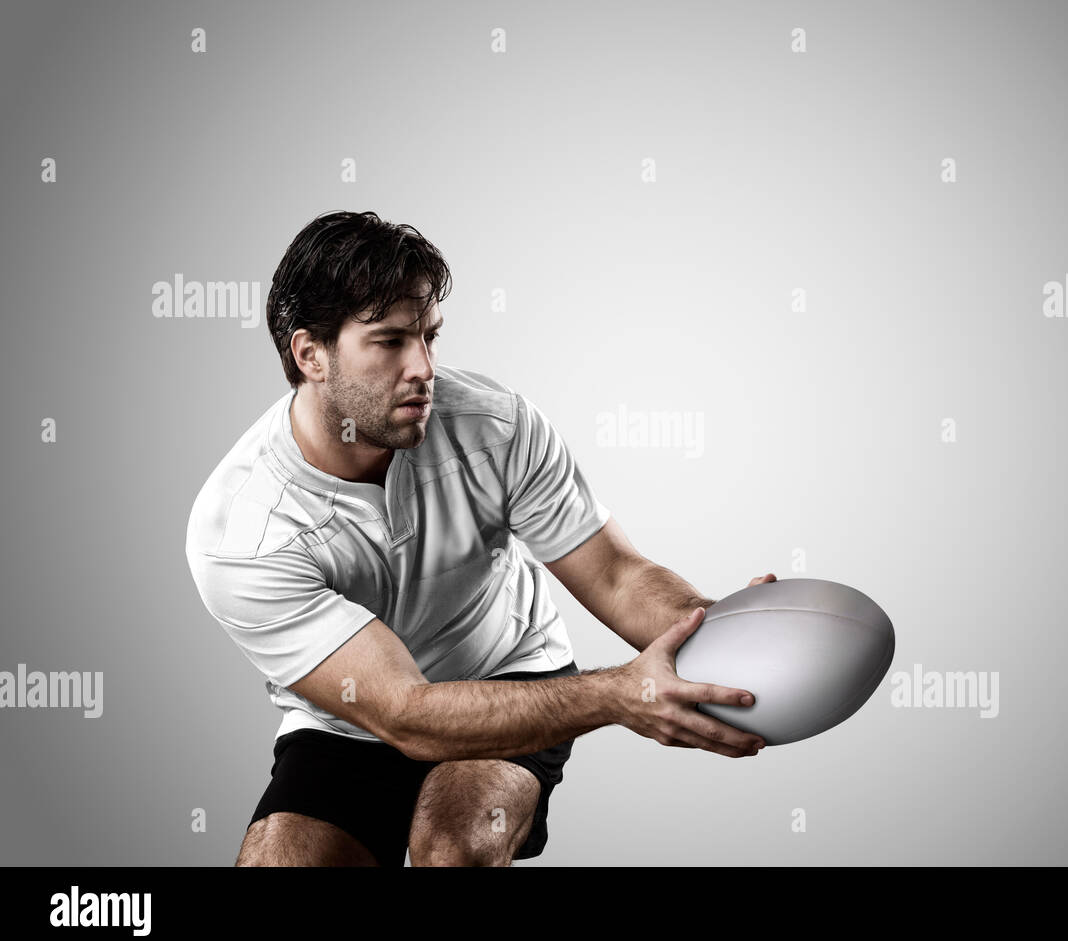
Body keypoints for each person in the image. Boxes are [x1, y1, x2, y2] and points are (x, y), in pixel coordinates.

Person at [184, 210, 771, 867]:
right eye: (390, 341)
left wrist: (726, 638)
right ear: (309, 354)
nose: (423, 368)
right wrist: (618, 695)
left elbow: (615, 575)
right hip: (355, 719)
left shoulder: (493, 426)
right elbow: (403, 712)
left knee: (451, 850)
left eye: (429, 337)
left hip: (510, 677)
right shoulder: (244, 530)